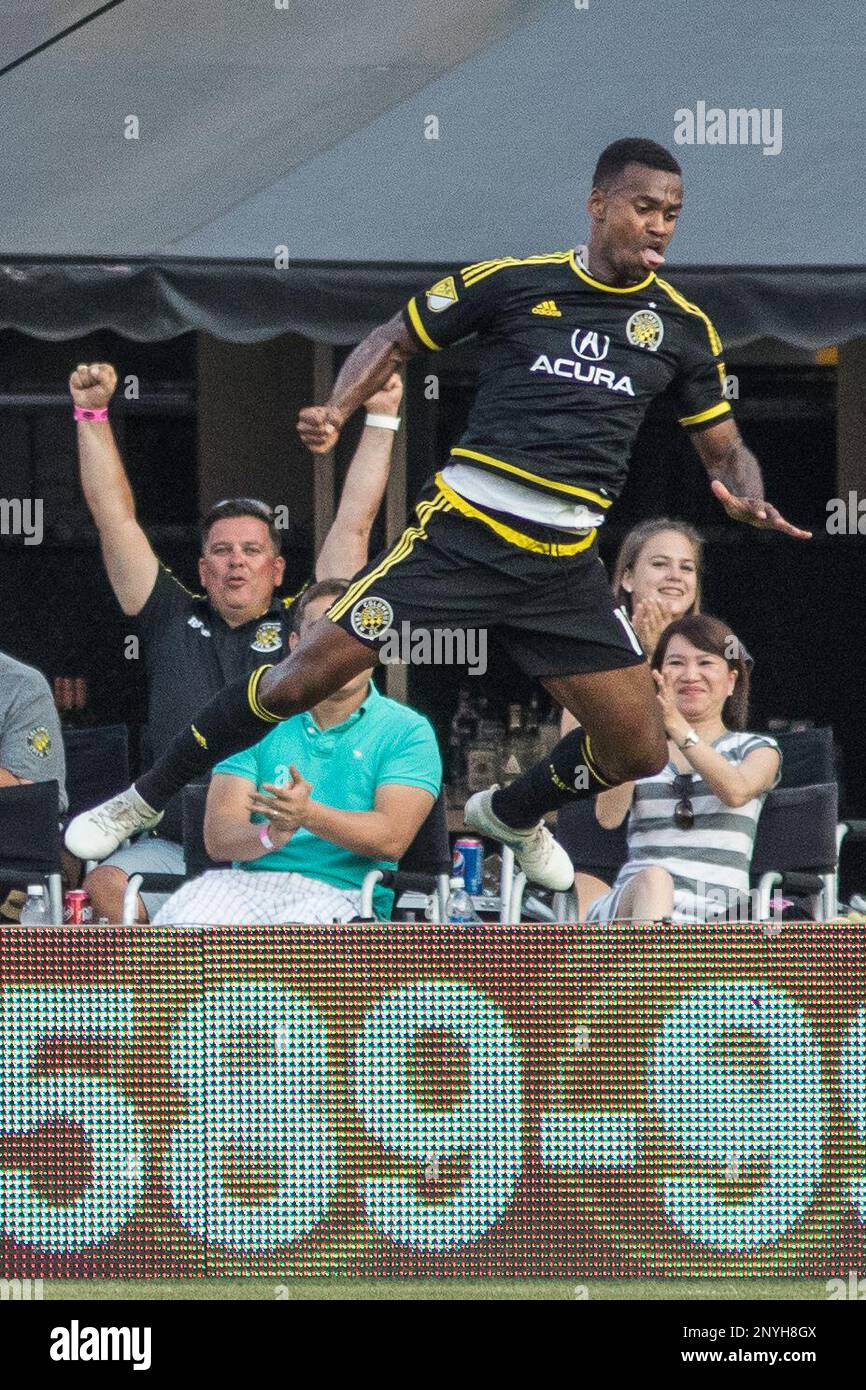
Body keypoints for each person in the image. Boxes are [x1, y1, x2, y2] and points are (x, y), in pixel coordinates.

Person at [66, 137, 809, 891]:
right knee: (294, 682)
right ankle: (143, 796)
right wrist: (337, 407)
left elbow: (723, 450)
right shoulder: (514, 283)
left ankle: (511, 812)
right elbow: (394, 339)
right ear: (598, 205)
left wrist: (746, 490)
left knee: (639, 748)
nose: (659, 226)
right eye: (644, 207)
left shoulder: (682, 328)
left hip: (561, 566)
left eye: (673, 216)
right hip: (459, 538)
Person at [69, 361, 403, 921]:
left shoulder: (306, 630)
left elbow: (352, 526)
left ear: (276, 569)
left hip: (277, 845)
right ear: (202, 569)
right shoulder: (169, 616)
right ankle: (158, 1003)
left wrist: (383, 418)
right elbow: (115, 520)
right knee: (105, 885)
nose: (236, 563)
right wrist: (92, 413)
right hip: (176, 842)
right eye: (222, 551)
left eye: (251, 551)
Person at [151, 582, 441, 924]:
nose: (340, 649)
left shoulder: (407, 730)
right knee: (182, 934)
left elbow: (391, 839)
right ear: (295, 646)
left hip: (346, 895)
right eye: (324, 633)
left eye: (354, 631)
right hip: (243, 886)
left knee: (287, 954)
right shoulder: (254, 720)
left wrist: (306, 814)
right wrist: (270, 834)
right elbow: (219, 838)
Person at [584, 613, 780, 923]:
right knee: (654, 880)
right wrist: (642, 727)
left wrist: (679, 728)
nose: (690, 675)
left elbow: (737, 791)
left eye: (705, 663)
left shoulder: (756, 748)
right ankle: (656, 968)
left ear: (731, 681)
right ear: (658, 676)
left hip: (720, 916)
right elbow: (607, 818)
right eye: (676, 663)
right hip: (633, 909)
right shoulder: (643, 746)